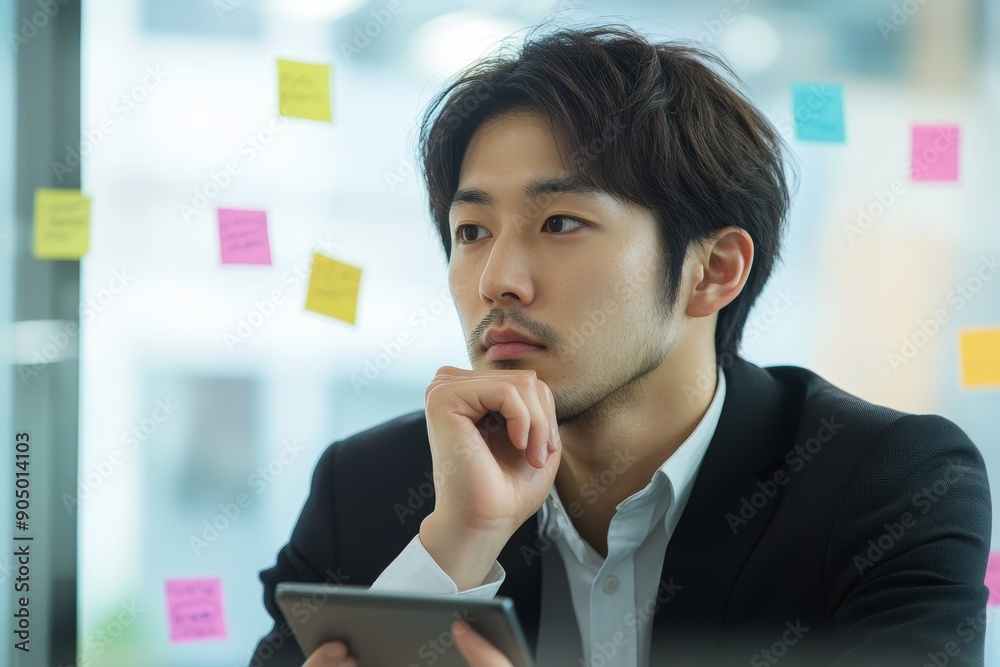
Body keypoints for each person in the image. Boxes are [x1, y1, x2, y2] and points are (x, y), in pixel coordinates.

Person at [249, 24, 992, 667]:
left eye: (561, 223)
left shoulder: (885, 486)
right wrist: (458, 542)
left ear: (713, 271)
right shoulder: (369, 489)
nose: (496, 280)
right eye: (471, 231)